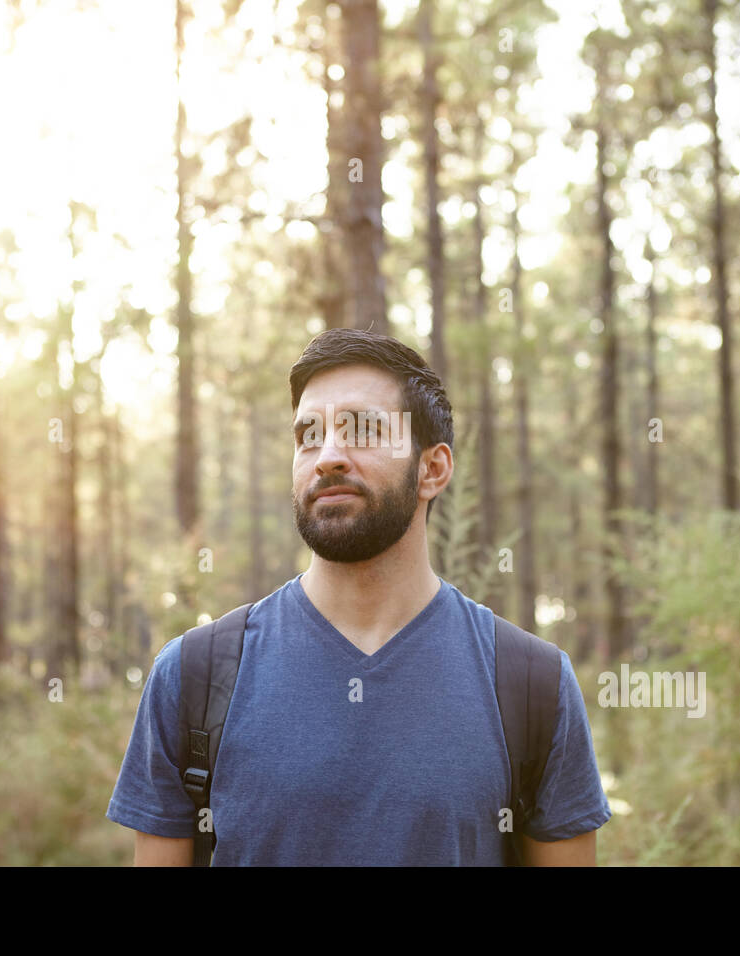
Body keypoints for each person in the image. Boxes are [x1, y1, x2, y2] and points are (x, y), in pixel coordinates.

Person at [106, 328, 611, 865]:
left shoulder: (532, 683)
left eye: (363, 430)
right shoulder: (194, 675)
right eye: (308, 435)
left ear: (432, 469)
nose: (327, 456)